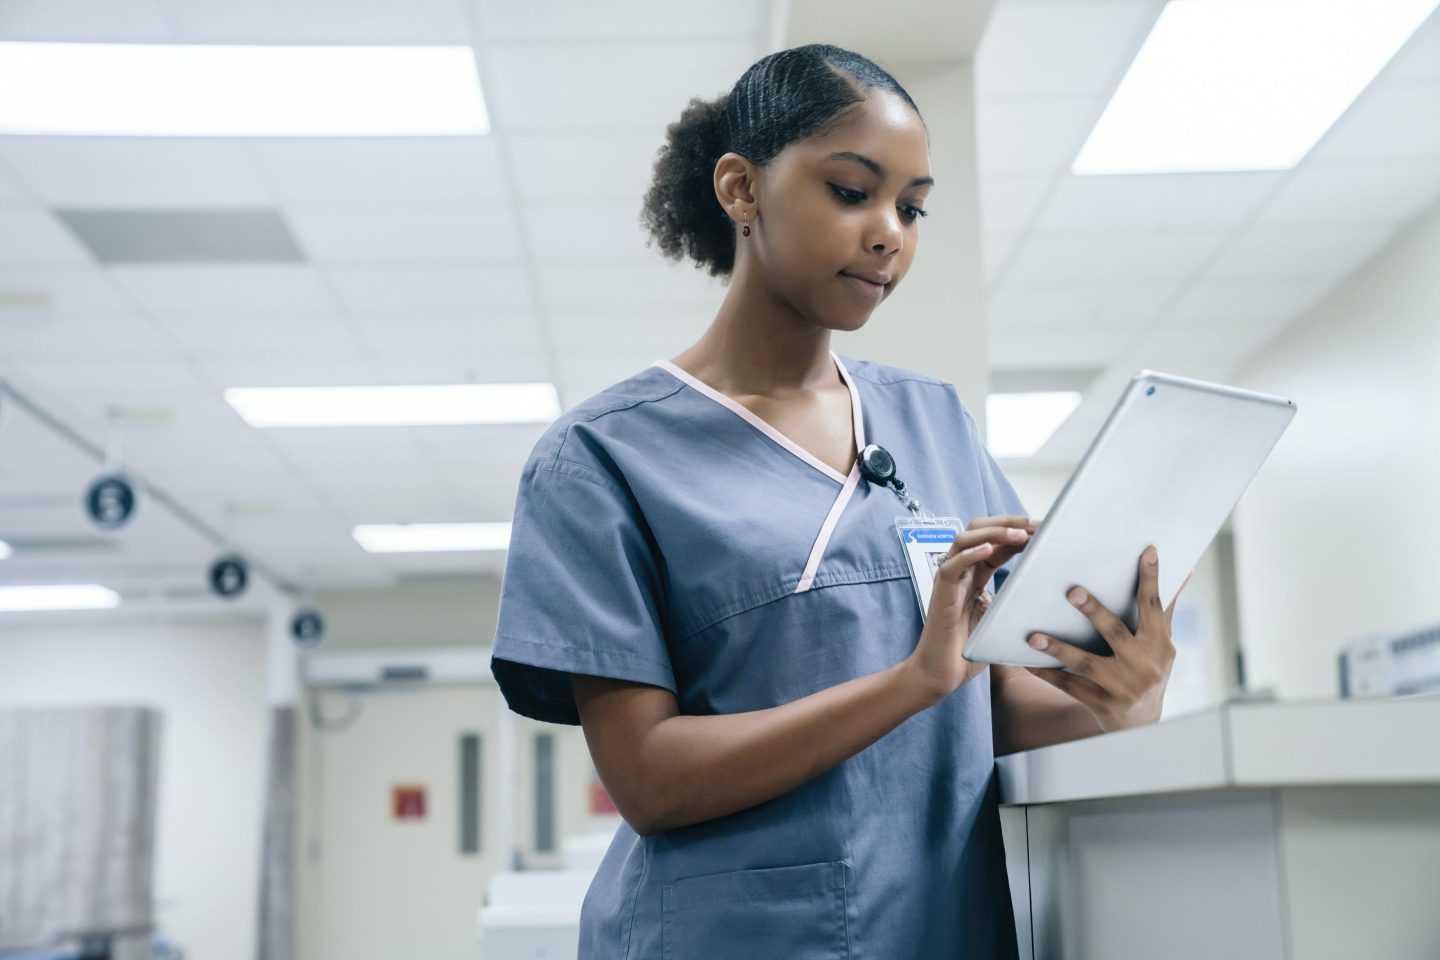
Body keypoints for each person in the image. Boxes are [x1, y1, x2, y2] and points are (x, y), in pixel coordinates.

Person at [490, 43, 1184, 960]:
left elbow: (988, 703)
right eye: (853, 192)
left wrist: (1119, 698)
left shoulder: (934, 421)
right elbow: (649, 779)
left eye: (913, 206)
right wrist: (908, 684)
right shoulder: (601, 459)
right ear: (741, 191)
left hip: (941, 929)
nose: (890, 231)